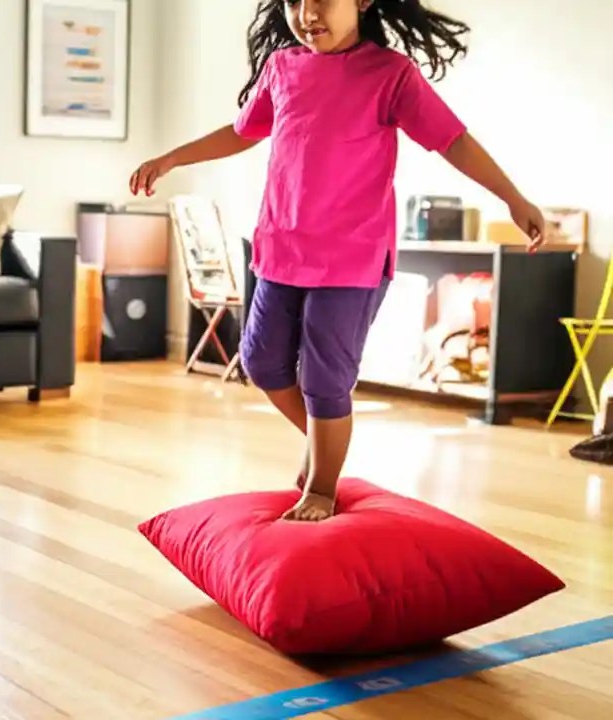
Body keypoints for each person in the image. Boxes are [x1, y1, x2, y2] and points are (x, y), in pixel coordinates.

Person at [129, 0, 545, 522]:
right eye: (294, 1)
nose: (306, 13)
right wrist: (171, 159)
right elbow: (241, 131)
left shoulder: (390, 74)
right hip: (281, 248)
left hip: (353, 255)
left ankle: (321, 489)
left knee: (326, 380)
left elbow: (452, 141)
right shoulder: (282, 67)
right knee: (260, 362)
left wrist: (513, 197)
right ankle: (326, 440)